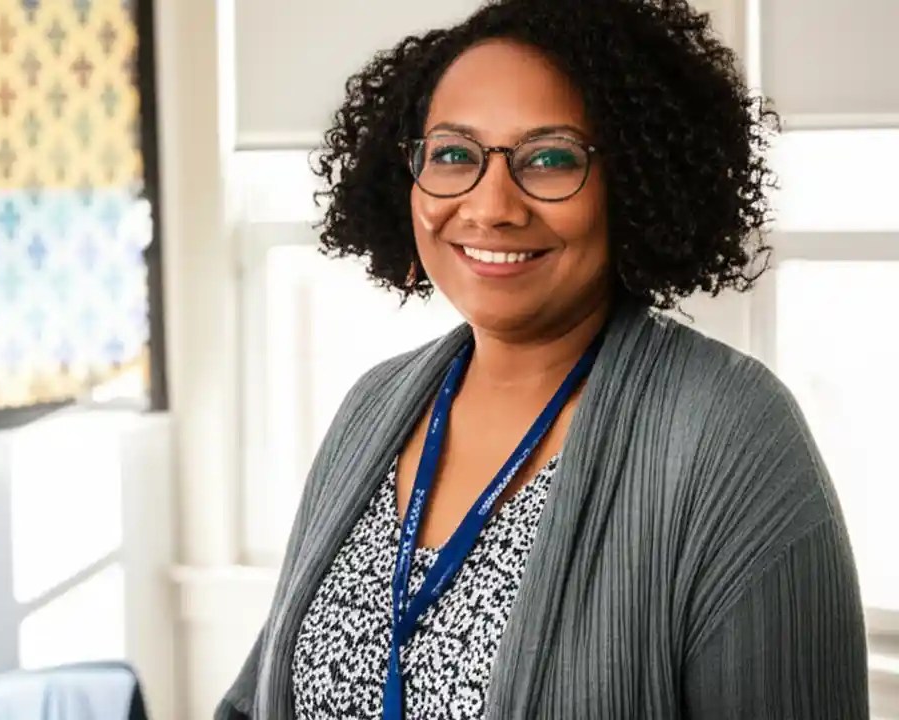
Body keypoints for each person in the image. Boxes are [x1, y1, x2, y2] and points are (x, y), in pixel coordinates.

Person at [216, 0, 870, 718]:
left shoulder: (730, 436)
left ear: (635, 182)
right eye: (453, 154)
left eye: (551, 158)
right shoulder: (376, 406)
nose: (491, 206)